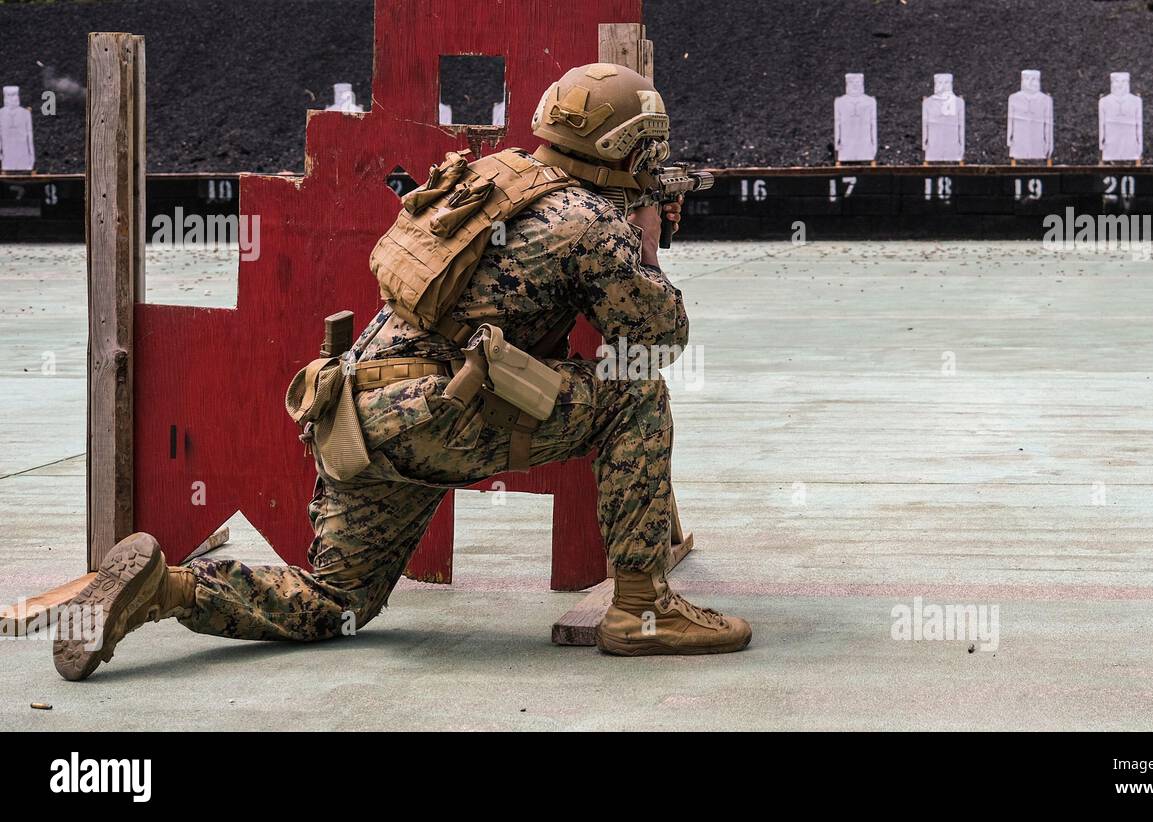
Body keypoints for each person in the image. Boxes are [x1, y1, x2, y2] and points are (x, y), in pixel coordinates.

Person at [54, 63, 751, 681]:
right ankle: (640, 608)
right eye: (650, 150)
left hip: (358, 411)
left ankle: (165, 590)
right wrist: (648, 249)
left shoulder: (494, 175)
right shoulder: (592, 221)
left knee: (337, 602)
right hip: (445, 411)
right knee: (636, 394)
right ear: (623, 148)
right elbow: (655, 339)